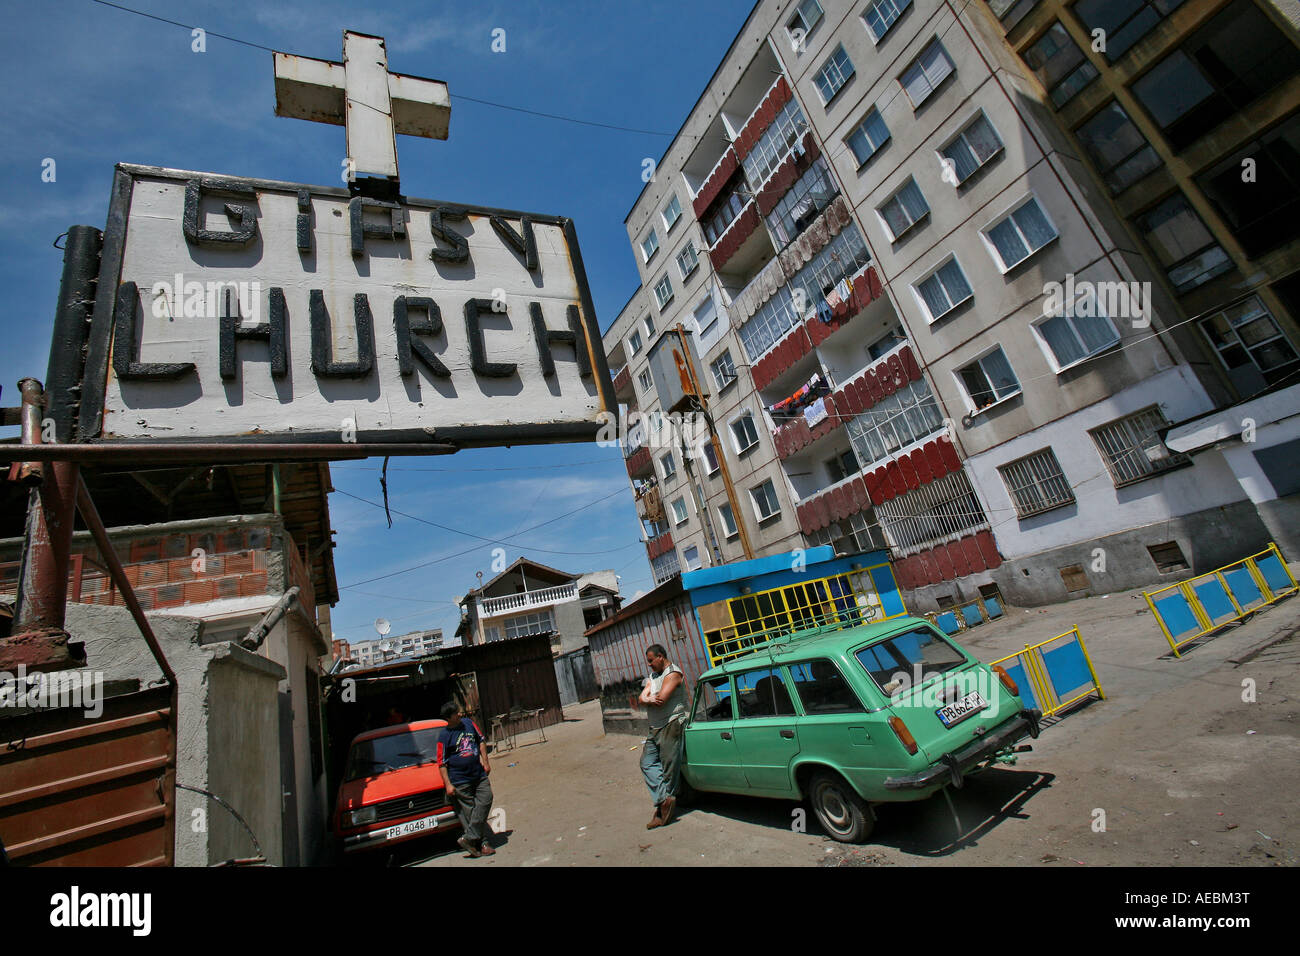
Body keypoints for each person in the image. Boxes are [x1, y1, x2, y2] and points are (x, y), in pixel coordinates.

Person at [436, 702, 495, 858]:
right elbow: (441, 763)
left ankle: (468, 838)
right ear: (449, 718)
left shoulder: (469, 724)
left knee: (486, 798)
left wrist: (486, 762)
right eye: (456, 713)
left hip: (478, 774)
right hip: (460, 780)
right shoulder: (444, 736)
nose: (460, 714)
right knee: (469, 814)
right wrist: (448, 784)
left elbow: (481, 740)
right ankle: (483, 844)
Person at [639, 644, 688, 830]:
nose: (649, 665)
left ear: (660, 656)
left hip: (671, 724)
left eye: (651, 661)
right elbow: (641, 699)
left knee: (669, 767)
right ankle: (664, 800)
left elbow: (661, 700)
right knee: (647, 762)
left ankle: (662, 810)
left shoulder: (673, 673)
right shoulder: (653, 676)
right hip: (655, 727)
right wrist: (648, 698)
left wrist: (648, 698)